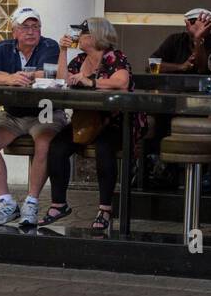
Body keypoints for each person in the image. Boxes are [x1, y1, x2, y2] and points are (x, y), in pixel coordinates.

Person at [40, 18, 139, 232]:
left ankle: (105, 209)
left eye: (82, 33)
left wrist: (91, 82)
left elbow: (121, 82)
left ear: (95, 37)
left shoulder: (115, 57)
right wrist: (63, 51)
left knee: (105, 149)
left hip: (114, 120)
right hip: (86, 121)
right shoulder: (80, 59)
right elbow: (61, 82)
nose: (78, 36)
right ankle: (59, 205)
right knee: (56, 147)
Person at [0, 7, 63, 226]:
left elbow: (51, 73)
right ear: (14, 31)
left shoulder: (50, 45)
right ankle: (6, 202)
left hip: (45, 111)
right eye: (25, 27)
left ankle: (31, 202)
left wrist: (18, 75)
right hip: (13, 114)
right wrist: (7, 79)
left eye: (35, 27)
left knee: (44, 143)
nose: (31, 32)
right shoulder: (3, 47)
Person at [150, 8, 211, 74]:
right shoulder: (175, 40)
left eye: (203, 23)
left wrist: (198, 38)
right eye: (193, 23)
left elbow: (202, 70)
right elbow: (151, 66)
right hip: (174, 87)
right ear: (186, 25)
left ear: (210, 27)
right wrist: (181, 67)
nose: (197, 27)